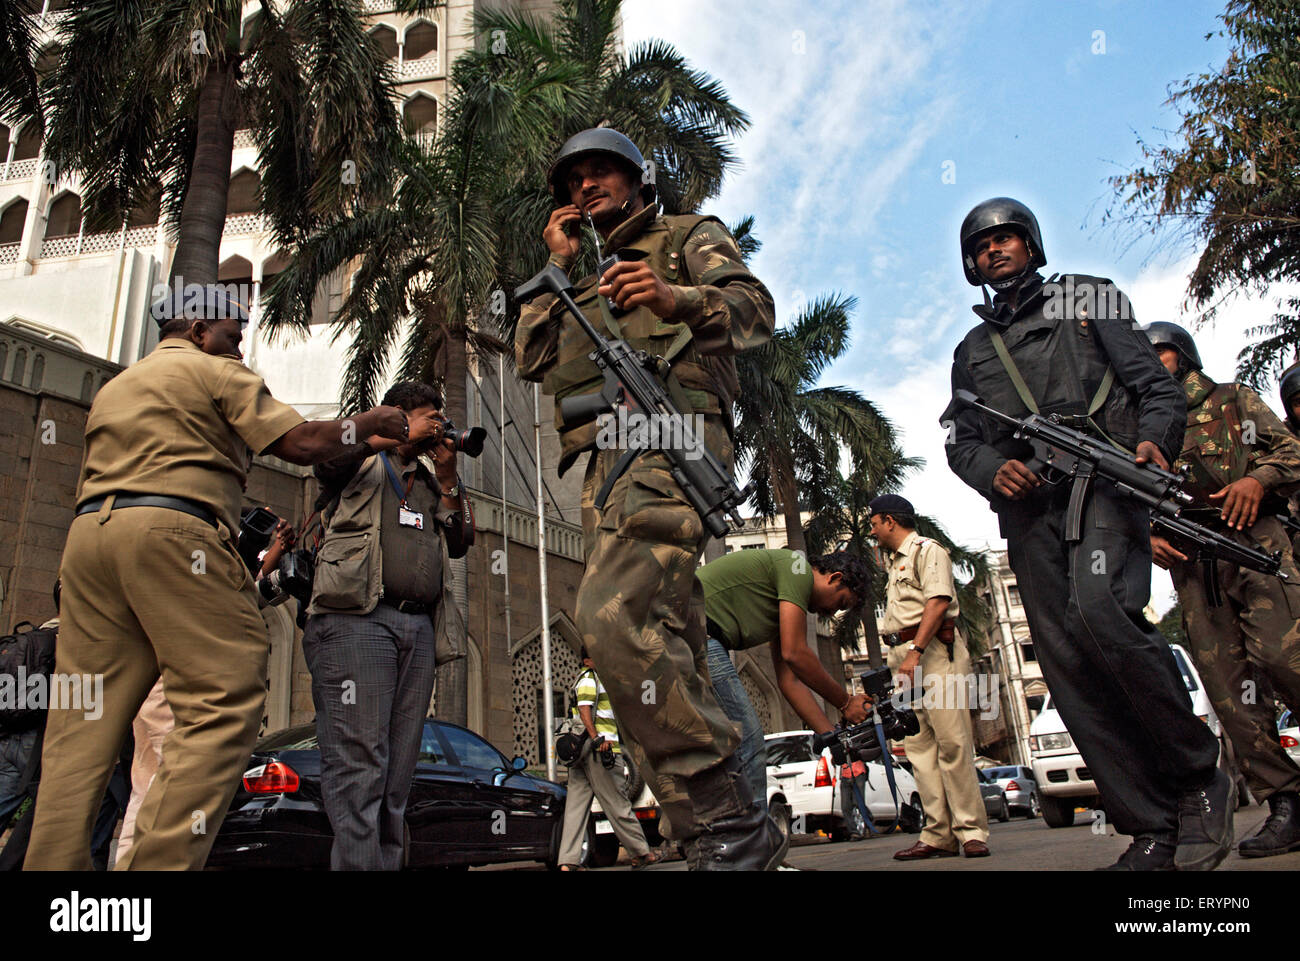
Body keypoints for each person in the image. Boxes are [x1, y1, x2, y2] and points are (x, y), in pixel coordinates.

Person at [24, 285, 419, 871]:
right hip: (175, 533)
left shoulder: (116, 388)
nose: (238, 349)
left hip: (89, 542)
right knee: (227, 698)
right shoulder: (215, 373)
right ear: (200, 330)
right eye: (233, 336)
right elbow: (301, 442)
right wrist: (367, 424)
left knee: (82, 720)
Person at [516, 127, 777, 870]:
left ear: (637, 179)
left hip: (671, 441)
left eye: (602, 174)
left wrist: (677, 295)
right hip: (608, 465)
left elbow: (756, 312)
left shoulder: (684, 235)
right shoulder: (576, 273)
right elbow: (532, 356)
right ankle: (721, 831)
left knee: (611, 618)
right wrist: (556, 264)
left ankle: (726, 816)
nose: (587, 188)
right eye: (575, 181)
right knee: (676, 647)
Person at [945, 198, 1229, 871]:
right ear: (971, 264)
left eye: (1008, 237)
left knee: (1101, 613)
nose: (996, 249)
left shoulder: (1088, 300)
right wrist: (994, 469)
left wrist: (1154, 443)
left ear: (1032, 244)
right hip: (1030, 513)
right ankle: (1149, 825)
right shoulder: (973, 351)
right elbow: (960, 439)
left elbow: (1157, 392)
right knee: (1068, 667)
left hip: (1105, 485)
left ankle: (1198, 773)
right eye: (984, 245)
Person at [303, 380, 473, 870]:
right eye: (427, 417)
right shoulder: (359, 459)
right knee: (359, 765)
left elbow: (460, 540)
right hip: (356, 619)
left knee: (397, 774)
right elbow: (325, 459)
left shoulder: (424, 479)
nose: (437, 426)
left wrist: (448, 477)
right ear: (396, 415)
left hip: (417, 628)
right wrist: (387, 431)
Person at [1144, 322, 1300, 858]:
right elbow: (1127, 497)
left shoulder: (1232, 400)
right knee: (1232, 696)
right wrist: (1149, 534)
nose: (1150, 358)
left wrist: (1259, 479)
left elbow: (1292, 452)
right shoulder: (1143, 427)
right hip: (1194, 567)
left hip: (1256, 545)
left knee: (1286, 660)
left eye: (1159, 349)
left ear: (1182, 354)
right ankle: (1287, 802)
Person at [695, 548, 871, 809]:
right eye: (841, 603)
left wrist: (833, 739)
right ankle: (752, 834)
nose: (833, 613)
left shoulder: (785, 602)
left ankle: (720, 828)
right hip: (697, 633)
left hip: (694, 636)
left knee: (707, 747)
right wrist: (845, 702)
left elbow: (790, 682)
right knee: (748, 740)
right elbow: (795, 654)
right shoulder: (796, 569)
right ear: (834, 578)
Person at [868, 494, 990, 860]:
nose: (872, 530)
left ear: (890, 521)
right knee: (920, 748)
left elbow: (937, 602)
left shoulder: (927, 550)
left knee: (952, 742)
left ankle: (970, 830)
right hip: (902, 657)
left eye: (874, 522)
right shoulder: (892, 562)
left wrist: (917, 652)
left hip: (933, 652)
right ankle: (937, 834)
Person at [556, 649, 660, 871]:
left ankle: (568, 861)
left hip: (582, 755)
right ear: (587, 660)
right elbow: (585, 710)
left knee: (576, 807)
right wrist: (596, 739)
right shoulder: (589, 679)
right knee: (617, 802)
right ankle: (642, 852)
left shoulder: (593, 679)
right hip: (598, 751)